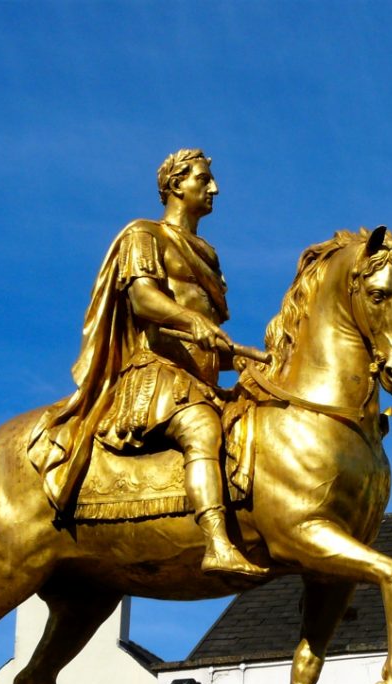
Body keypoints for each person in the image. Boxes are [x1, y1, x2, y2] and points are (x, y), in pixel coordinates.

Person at [28, 149, 266, 577]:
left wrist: (250, 361)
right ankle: (216, 543)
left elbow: (207, 340)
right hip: (154, 373)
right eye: (203, 179)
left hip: (199, 377)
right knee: (201, 427)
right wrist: (191, 319)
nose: (214, 188)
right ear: (176, 184)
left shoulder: (208, 255)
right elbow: (143, 299)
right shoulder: (144, 234)